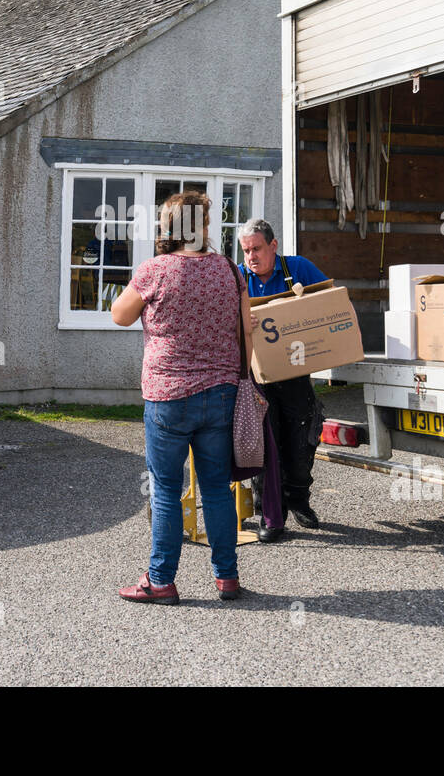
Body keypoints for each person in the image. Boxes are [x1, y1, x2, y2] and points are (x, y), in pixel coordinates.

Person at [111, 191, 252, 605]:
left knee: (167, 490)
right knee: (216, 489)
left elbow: (119, 315)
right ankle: (226, 578)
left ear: (167, 227)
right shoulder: (229, 270)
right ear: (203, 227)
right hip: (222, 393)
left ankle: (161, 580)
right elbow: (247, 332)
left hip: (168, 396)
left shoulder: (155, 271)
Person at [238, 217, 327, 543]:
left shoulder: (298, 268)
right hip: (257, 376)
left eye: (257, 249)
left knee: (301, 440)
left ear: (273, 246)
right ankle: (268, 513)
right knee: (264, 446)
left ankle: (299, 499)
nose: (251, 256)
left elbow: (329, 301)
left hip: (294, 373)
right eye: (246, 250)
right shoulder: (238, 276)